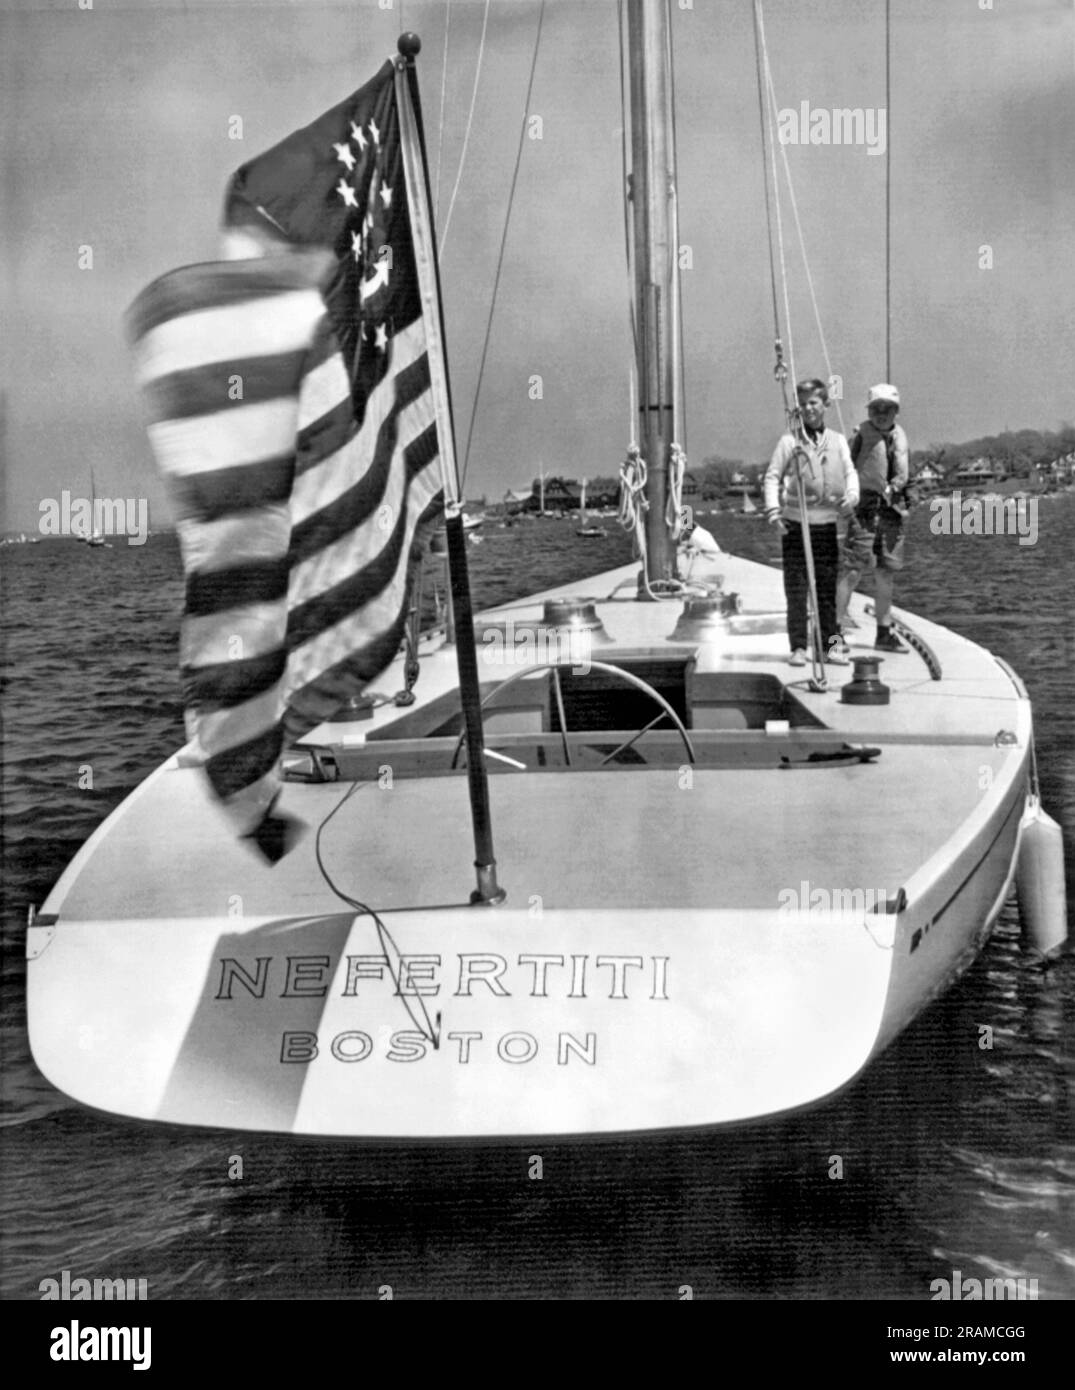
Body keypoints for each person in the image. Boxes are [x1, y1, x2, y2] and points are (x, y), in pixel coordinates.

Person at [763, 378, 858, 667]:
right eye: (803, 404)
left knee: (827, 592)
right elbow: (772, 477)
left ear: (825, 405)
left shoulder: (839, 440)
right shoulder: (789, 441)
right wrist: (774, 513)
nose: (808, 409)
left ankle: (830, 646)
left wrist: (852, 496)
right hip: (795, 527)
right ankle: (799, 647)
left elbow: (850, 473)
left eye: (814, 403)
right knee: (796, 590)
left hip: (826, 527)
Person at [835, 384, 911, 654]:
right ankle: (834, 634)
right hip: (865, 509)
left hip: (892, 511)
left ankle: (884, 633)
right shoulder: (859, 435)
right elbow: (843, 467)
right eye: (876, 409)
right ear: (869, 411)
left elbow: (902, 474)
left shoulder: (900, 436)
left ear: (896, 411)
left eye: (887, 409)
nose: (881, 414)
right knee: (853, 569)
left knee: (885, 573)